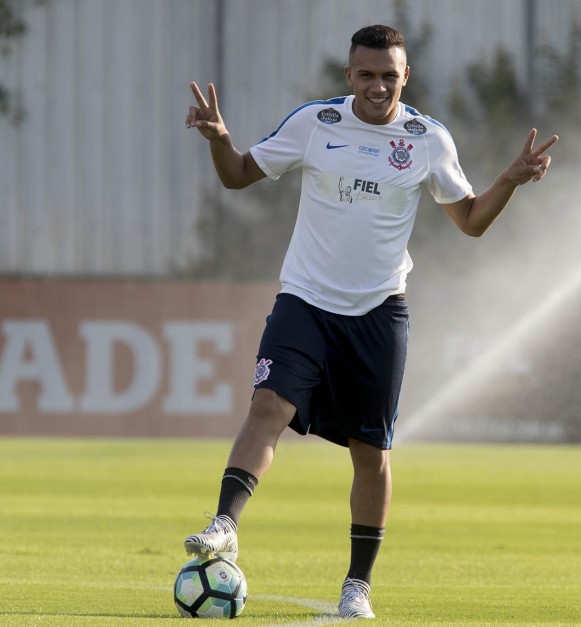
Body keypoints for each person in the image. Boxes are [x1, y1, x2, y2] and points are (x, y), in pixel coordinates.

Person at [183, 24, 557, 620]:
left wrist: (507, 181)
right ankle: (224, 523)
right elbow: (238, 175)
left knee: (370, 450)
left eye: (389, 74)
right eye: (367, 74)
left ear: (406, 77)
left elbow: (471, 221)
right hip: (304, 299)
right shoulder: (314, 123)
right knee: (267, 407)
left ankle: (357, 586)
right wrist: (219, 138)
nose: (378, 85)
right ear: (348, 76)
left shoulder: (428, 140)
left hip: (379, 310)